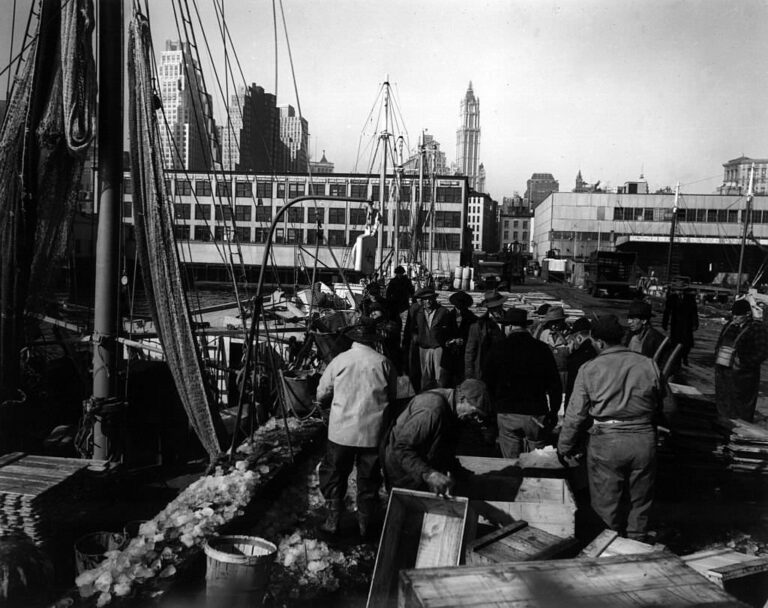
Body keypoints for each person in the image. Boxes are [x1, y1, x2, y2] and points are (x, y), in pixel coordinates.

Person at [558, 314, 664, 541]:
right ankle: (636, 543)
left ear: (599, 342)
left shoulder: (590, 368)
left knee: (605, 505)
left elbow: (576, 414)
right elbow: (669, 407)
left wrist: (564, 446)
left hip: (606, 442)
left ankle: (608, 543)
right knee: (640, 501)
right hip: (643, 440)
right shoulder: (648, 364)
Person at [316, 318, 397, 536]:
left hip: (341, 431)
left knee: (334, 473)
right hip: (372, 433)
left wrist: (324, 405)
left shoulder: (340, 360)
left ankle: (333, 520)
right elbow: (392, 397)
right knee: (368, 478)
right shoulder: (384, 363)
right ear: (373, 340)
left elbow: (322, 392)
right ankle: (364, 524)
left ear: (354, 338)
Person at [382, 379, 492, 496]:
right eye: (474, 413)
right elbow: (401, 448)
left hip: (420, 462)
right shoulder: (432, 409)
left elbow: (446, 451)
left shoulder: (455, 411)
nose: (476, 419)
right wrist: (429, 474)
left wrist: (463, 475)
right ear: (462, 399)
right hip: (401, 468)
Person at [484, 308, 562, 458]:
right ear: (526, 326)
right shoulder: (542, 349)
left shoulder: (498, 348)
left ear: (509, 326)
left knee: (512, 463)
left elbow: (488, 382)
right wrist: (554, 411)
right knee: (537, 461)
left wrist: (492, 411)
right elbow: (554, 385)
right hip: (536, 413)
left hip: (507, 412)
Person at [714, 299, 768, 422]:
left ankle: (741, 428)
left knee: (742, 408)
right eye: (733, 314)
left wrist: (745, 363)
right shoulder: (729, 326)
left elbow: (762, 352)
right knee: (724, 404)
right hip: (724, 374)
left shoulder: (756, 328)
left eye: (738, 315)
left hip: (744, 377)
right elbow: (719, 344)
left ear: (747, 314)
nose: (735, 317)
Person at [410, 288, 451, 390]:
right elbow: (413, 328)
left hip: (438, 346)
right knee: (425, 376)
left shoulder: (443, 312)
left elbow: (450, 329)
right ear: (422, 300)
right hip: (423, 346)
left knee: (440, 376)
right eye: (425, 299)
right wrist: (416, 337)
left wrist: (446, 341)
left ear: (434, 299)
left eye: (430, 298)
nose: (428, 301)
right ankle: (426, 394)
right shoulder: (418, 312)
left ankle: (440, 394)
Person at [464, 290, 506, 381]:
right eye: (493, 308)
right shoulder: (479, 325)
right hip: (486, 368)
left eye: (498, 306)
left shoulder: (511, 321)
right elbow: (470, 351)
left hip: (505, 368)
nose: (496, 310)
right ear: (488, 308)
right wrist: (469, 374)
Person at [439, 291, 477, 388]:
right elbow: (439, 335)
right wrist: (448, 342)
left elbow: (475, 337)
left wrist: (464, 341)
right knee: (445, 385)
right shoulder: (447, 317)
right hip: (448, 358)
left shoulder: (472, 318)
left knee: (462, 386)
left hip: (463, 358)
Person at [534, 305, 571, 388]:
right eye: (551, 323)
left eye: (557, 322)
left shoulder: (569, 335)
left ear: (562, 321)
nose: (554, 326)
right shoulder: (545, 334)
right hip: (547, 373)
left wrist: (559, 334)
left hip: (564, 375)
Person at [662, 283, 699, 366]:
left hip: (687, 324)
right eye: (678, 290)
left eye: (681, 290)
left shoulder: (690, 298)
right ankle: (676, 359)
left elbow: (694, 312)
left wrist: (695, 324)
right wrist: (664, 323)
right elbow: (667, 311)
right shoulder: (672, 298)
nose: (679, 292)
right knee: (675, 342)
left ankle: (685, 357)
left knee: (687, 343)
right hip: (676, 324)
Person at [565, 316, 598, 407]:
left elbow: (572, 389)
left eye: (573, 340)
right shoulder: (599, 352)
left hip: (581, 406)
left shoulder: (576, 358)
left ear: (579, 338)